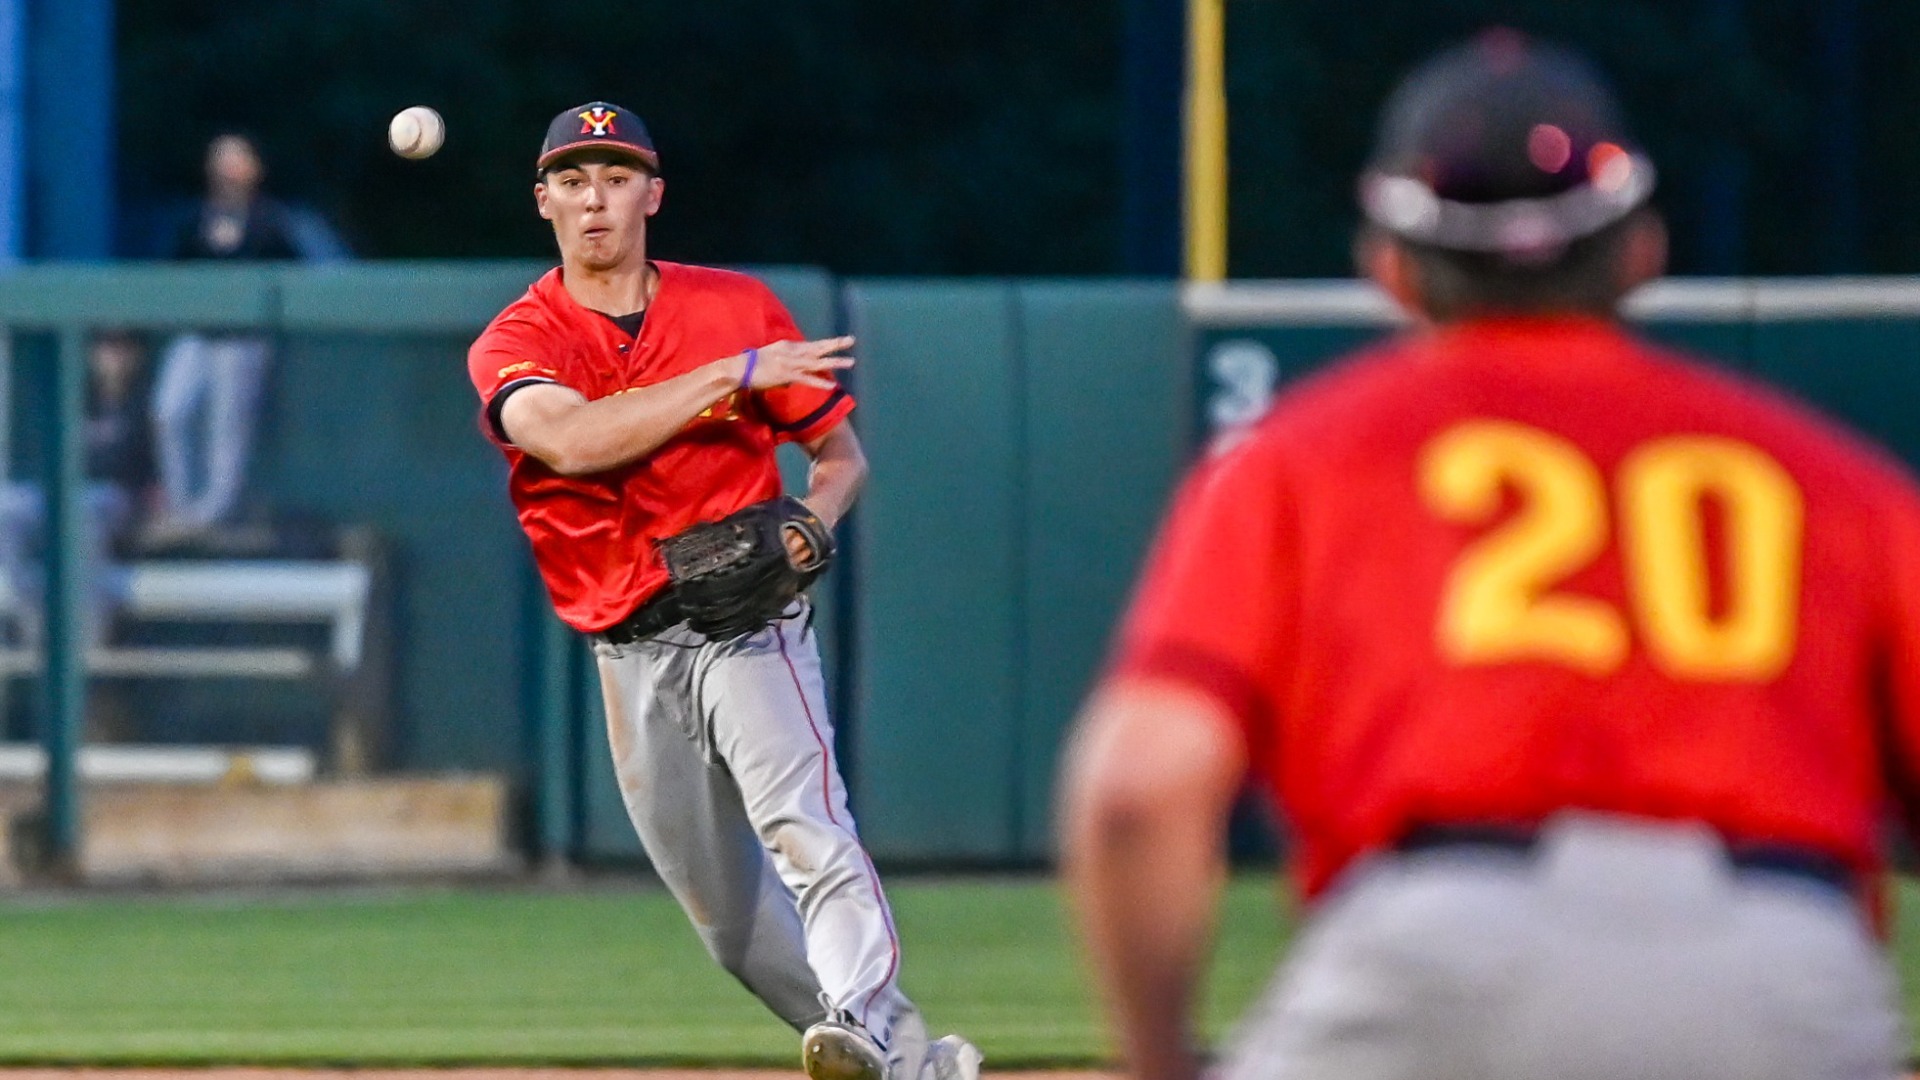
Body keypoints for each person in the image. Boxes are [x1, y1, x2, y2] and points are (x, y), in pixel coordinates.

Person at [1060, 33, 1917, 1080]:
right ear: (1641, 248)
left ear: (1390, 266)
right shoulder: (1833, 480)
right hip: (1785, 969)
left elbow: (1137, 786)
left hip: (1442, 957)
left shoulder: (1304, 456)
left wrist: (1156, 1061)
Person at [466, 102, 980, 1080]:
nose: (595, 199)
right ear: (544, 203)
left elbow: (841, 457)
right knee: (735, 933)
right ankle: (916, 1067)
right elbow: (572, 442)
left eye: (616, 177)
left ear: (652, 193)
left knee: (805, 827)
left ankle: (864, 1022)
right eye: (573, 180)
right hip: (627, 648)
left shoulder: (735, 305)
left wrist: (812, 524)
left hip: (748, 626)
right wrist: (733, 377)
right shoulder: (517, 339)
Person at [145, 132, 344, 549]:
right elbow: (172, 272)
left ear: (256, 167)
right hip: (199, 332)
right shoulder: (195, 218)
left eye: (238, 158)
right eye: (221, 158)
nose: (229, 168)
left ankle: (213, 513)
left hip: (245, 340)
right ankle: (181, 507)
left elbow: (300, 272)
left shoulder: (272, 221)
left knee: (228, 426)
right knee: (168, 410)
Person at [0, 329, 156, 646]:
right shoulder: (78, 395)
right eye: (106, 347)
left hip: (117, 498)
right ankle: (34, 623)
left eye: (122, 348)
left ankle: (88, 642)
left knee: (85, 511)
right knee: (9, 507)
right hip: (66, 493)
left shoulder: (145, 401)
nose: (113, 358)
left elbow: (135, 466)